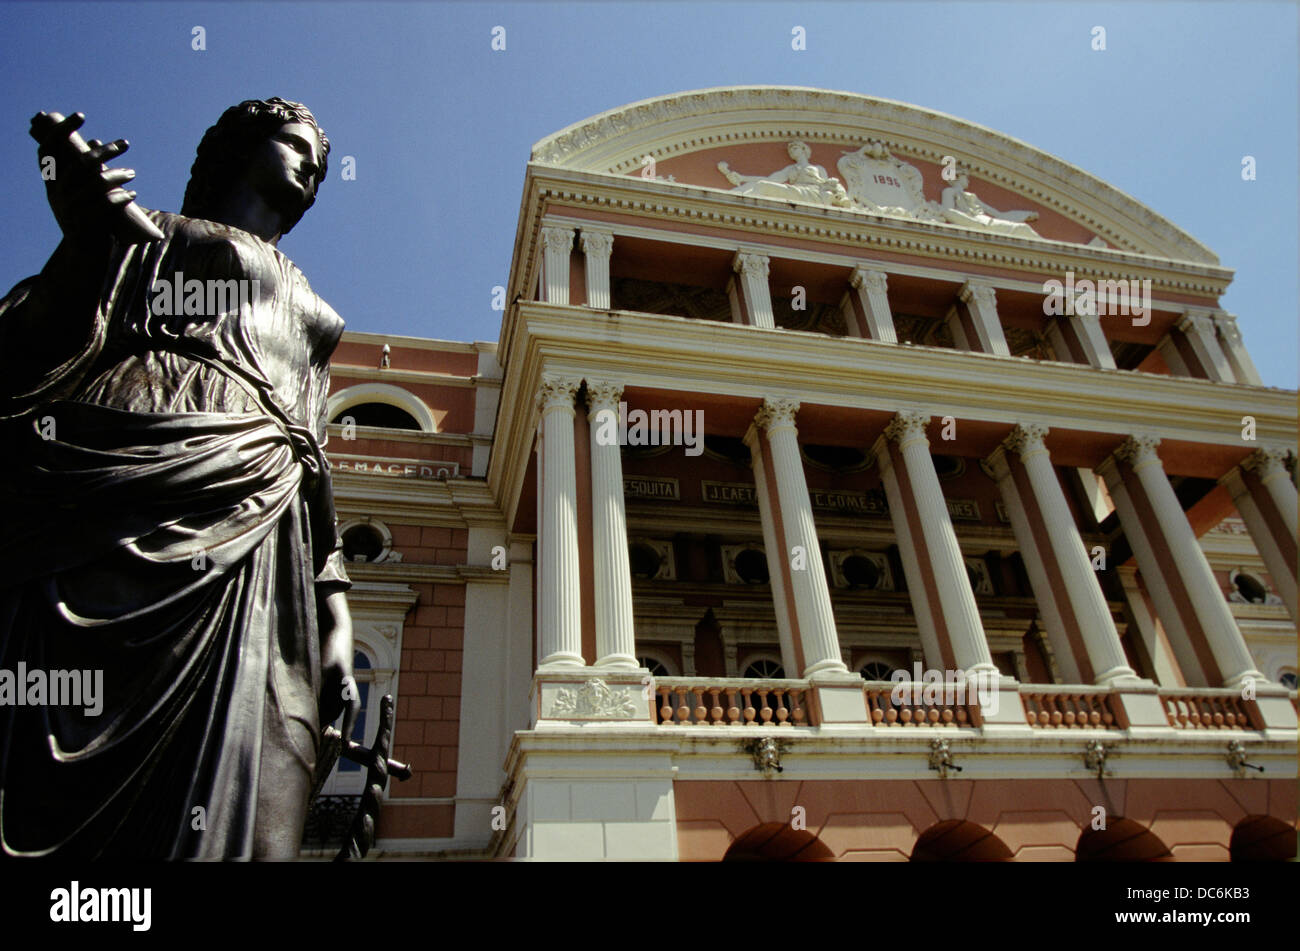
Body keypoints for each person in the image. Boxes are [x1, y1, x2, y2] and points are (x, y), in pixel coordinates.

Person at [0, 98, 359, 859]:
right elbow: (31, 345)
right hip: (149, 468)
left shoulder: (308, 300)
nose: (311, 169)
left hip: (271, 512)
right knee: (90, 715)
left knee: (265, 757)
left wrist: (336, 611)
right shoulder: (151, 232)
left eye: (323, 166)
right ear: (237, 148)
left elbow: (313, 452)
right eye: (295, 145)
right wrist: (83, 240)